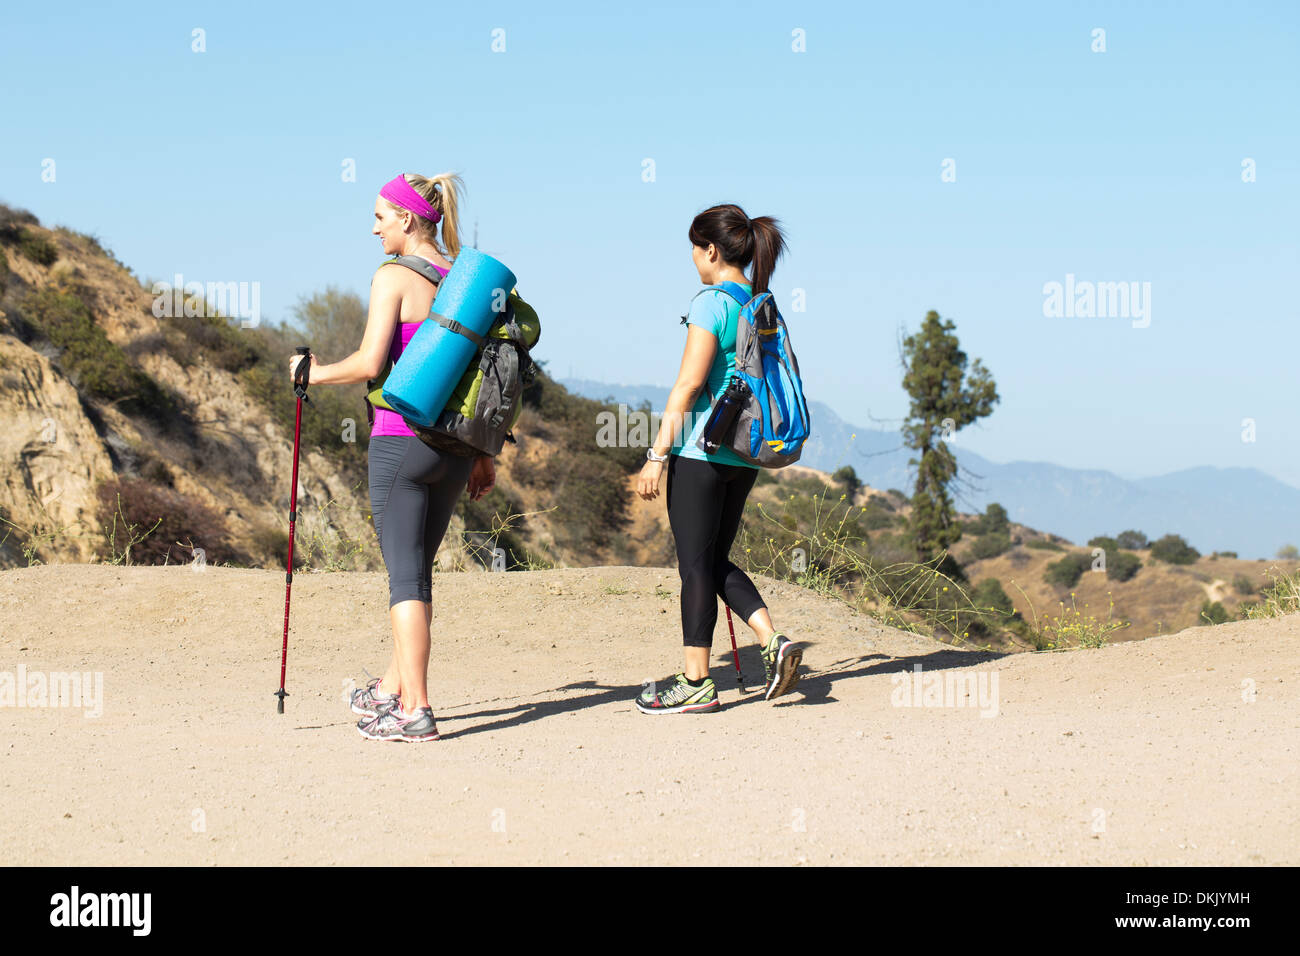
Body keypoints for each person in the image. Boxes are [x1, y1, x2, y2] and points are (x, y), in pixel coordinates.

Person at [288, 172, 495, 742]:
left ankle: (417, 710)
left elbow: (370, 363)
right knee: (417, 573)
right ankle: (389, 689)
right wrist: (483, 455)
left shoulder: (394, 277)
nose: (374, 226)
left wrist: (311, 372)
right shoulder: (463, 281)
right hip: (454, 451)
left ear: (407, 218)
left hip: (401, 441)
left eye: (381, 215)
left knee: (405, 579)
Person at [634, 203, 803, 714]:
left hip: (700, 451)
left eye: (694, 246)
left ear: (711, 250)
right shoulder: (758, 301)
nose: (692, 257)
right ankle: (773, 642)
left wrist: (656, 455)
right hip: (744, 456)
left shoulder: (711, 303)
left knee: (694, 568)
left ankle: (696, 682)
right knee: (712, 560)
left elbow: (688, 386)